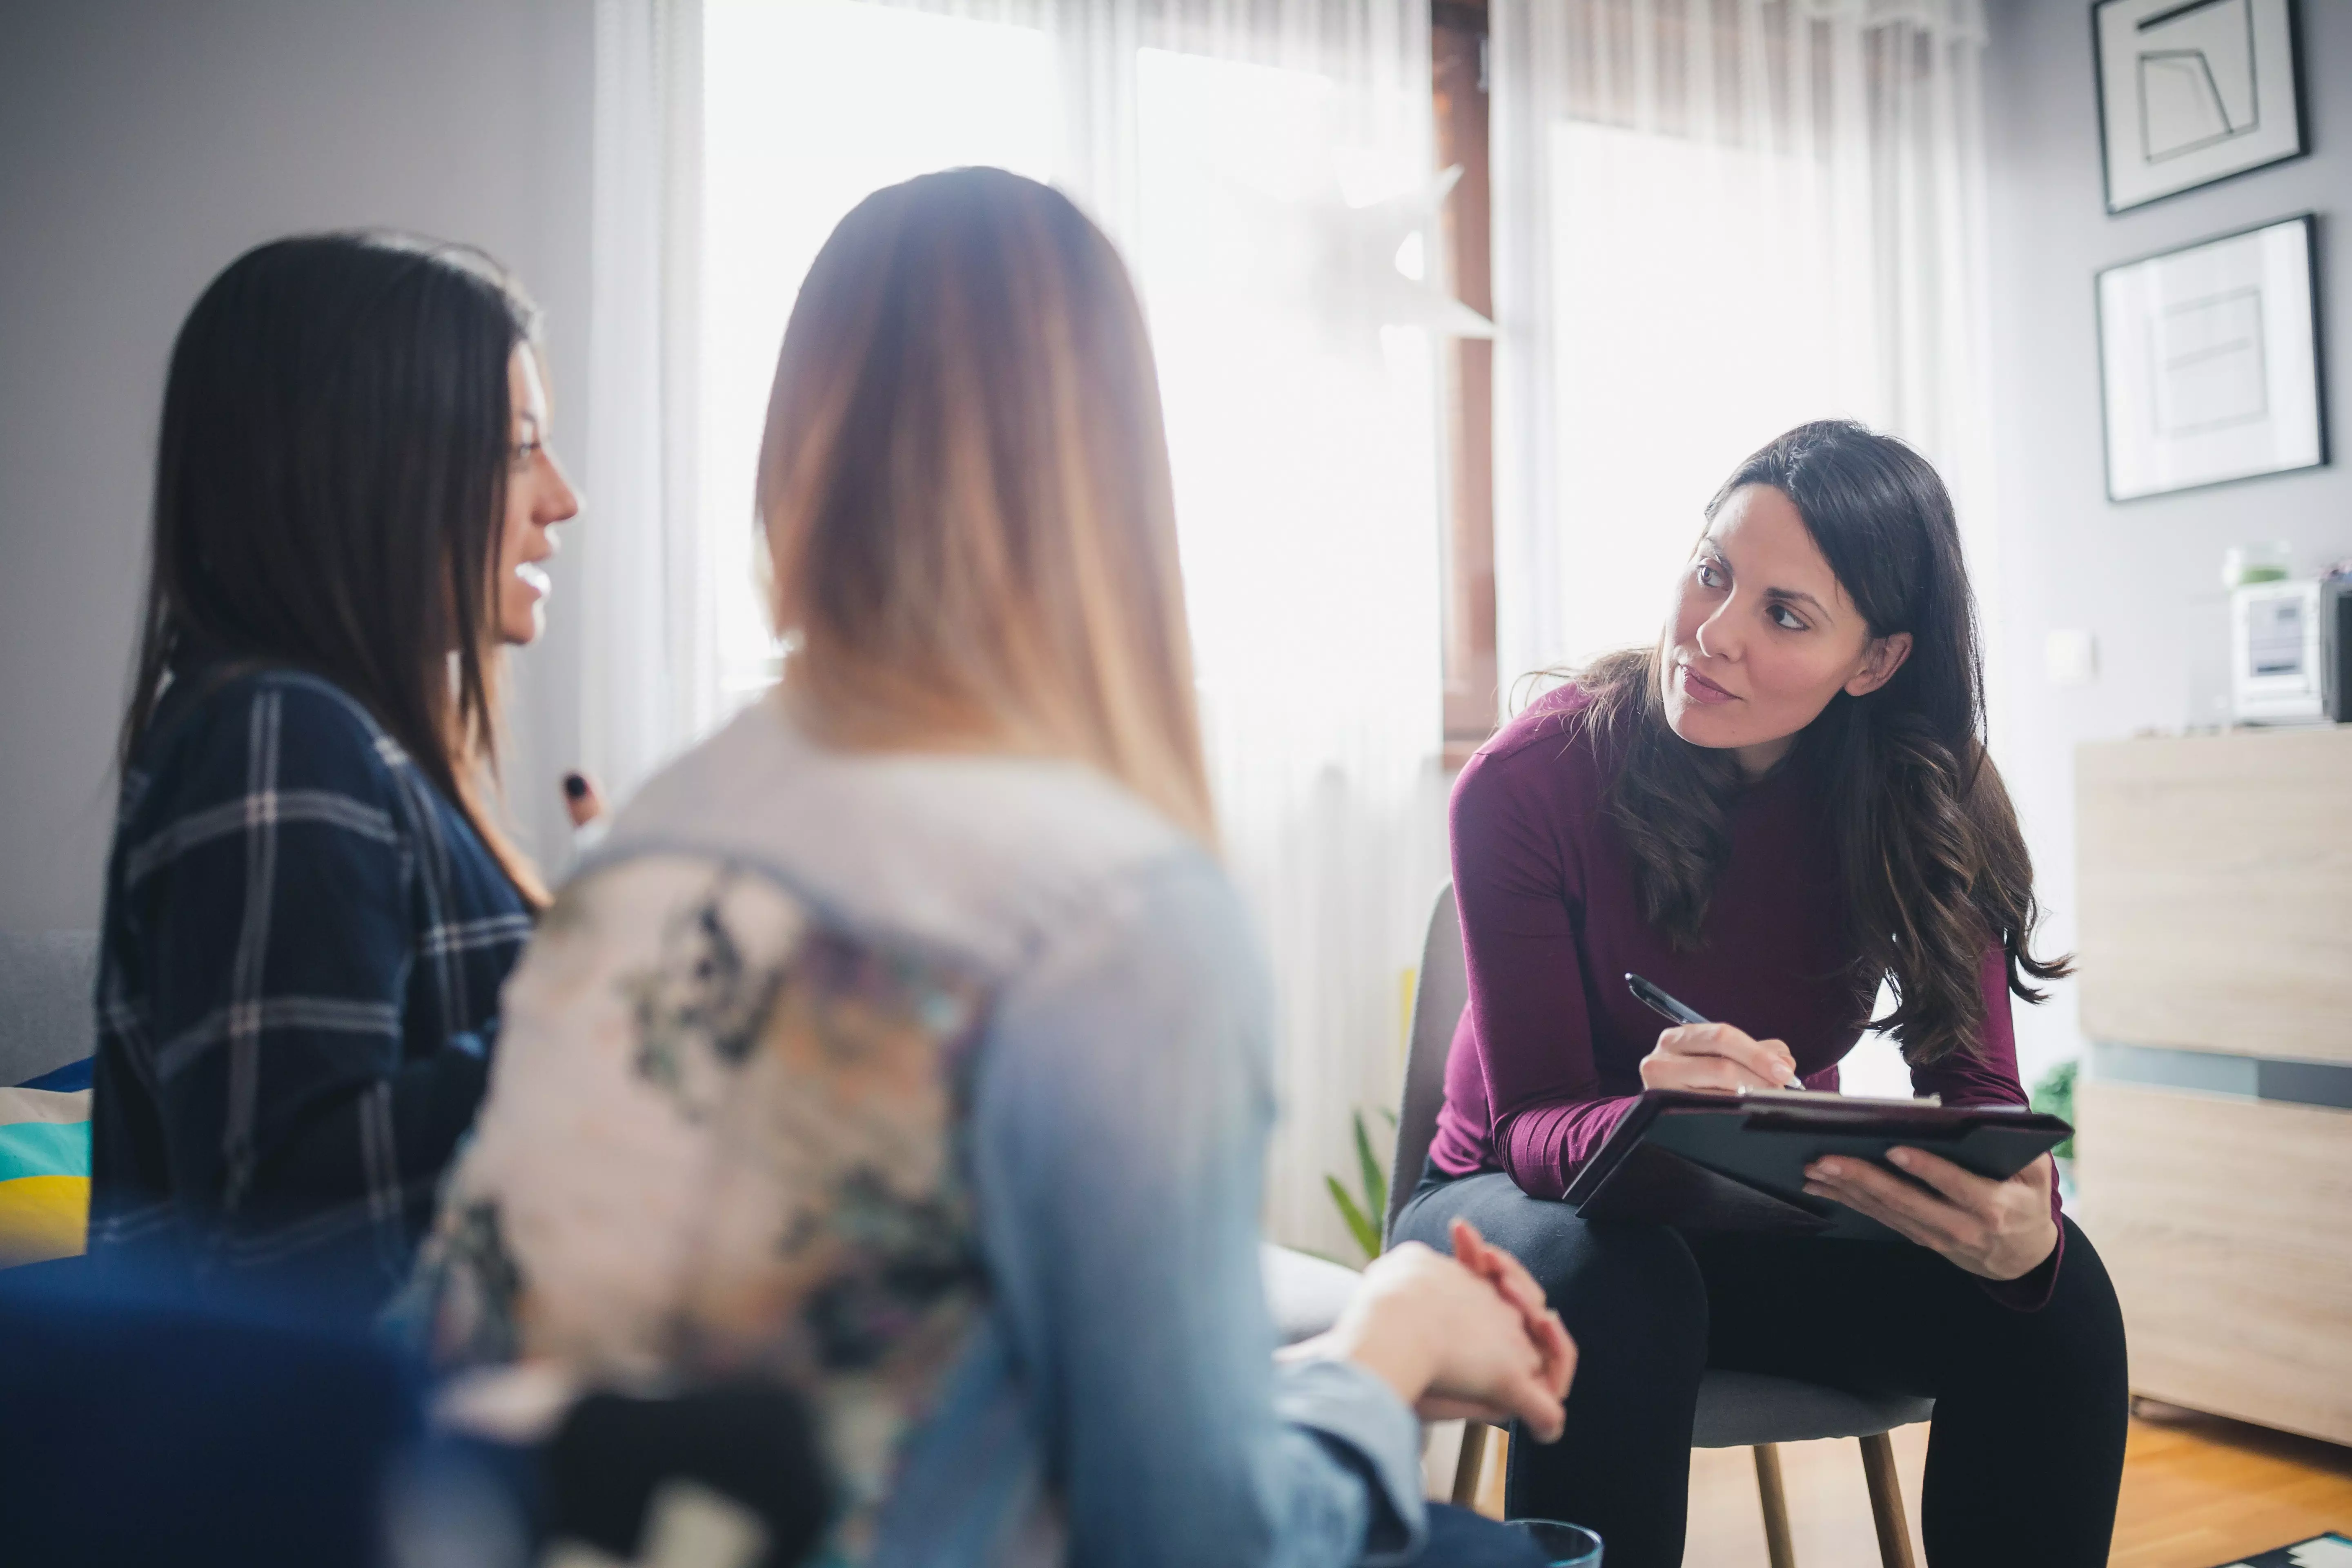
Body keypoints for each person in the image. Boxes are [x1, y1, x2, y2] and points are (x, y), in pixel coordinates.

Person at [402, 167, 1574, 1566]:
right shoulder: (1111, 912)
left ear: (797, 454)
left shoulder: (660, 827)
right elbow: (1201, 1543)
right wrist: (1383, 1345)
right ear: (1117, 477)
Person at [1393, 421, 2129, 1568]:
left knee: (2060, 1291)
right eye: (1710, 572)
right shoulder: (1531, 781)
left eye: (1784, 615)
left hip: (1741, 1224)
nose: (1712, 635)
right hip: (1503, 1214)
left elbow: (1977, 1088)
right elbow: (1529, 1124)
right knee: (1621, 1283)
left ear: (1875, 661)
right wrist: (1653, 1118)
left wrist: (2018, 1223)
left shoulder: (1929, 797)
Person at [88, 234, 580, 1323]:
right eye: (519, 451)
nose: (563, 498)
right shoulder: (280, 737)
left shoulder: (338, 741)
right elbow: (284, 1235)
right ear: (372, 468)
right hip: (346, 1482)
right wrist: (602, 1011)